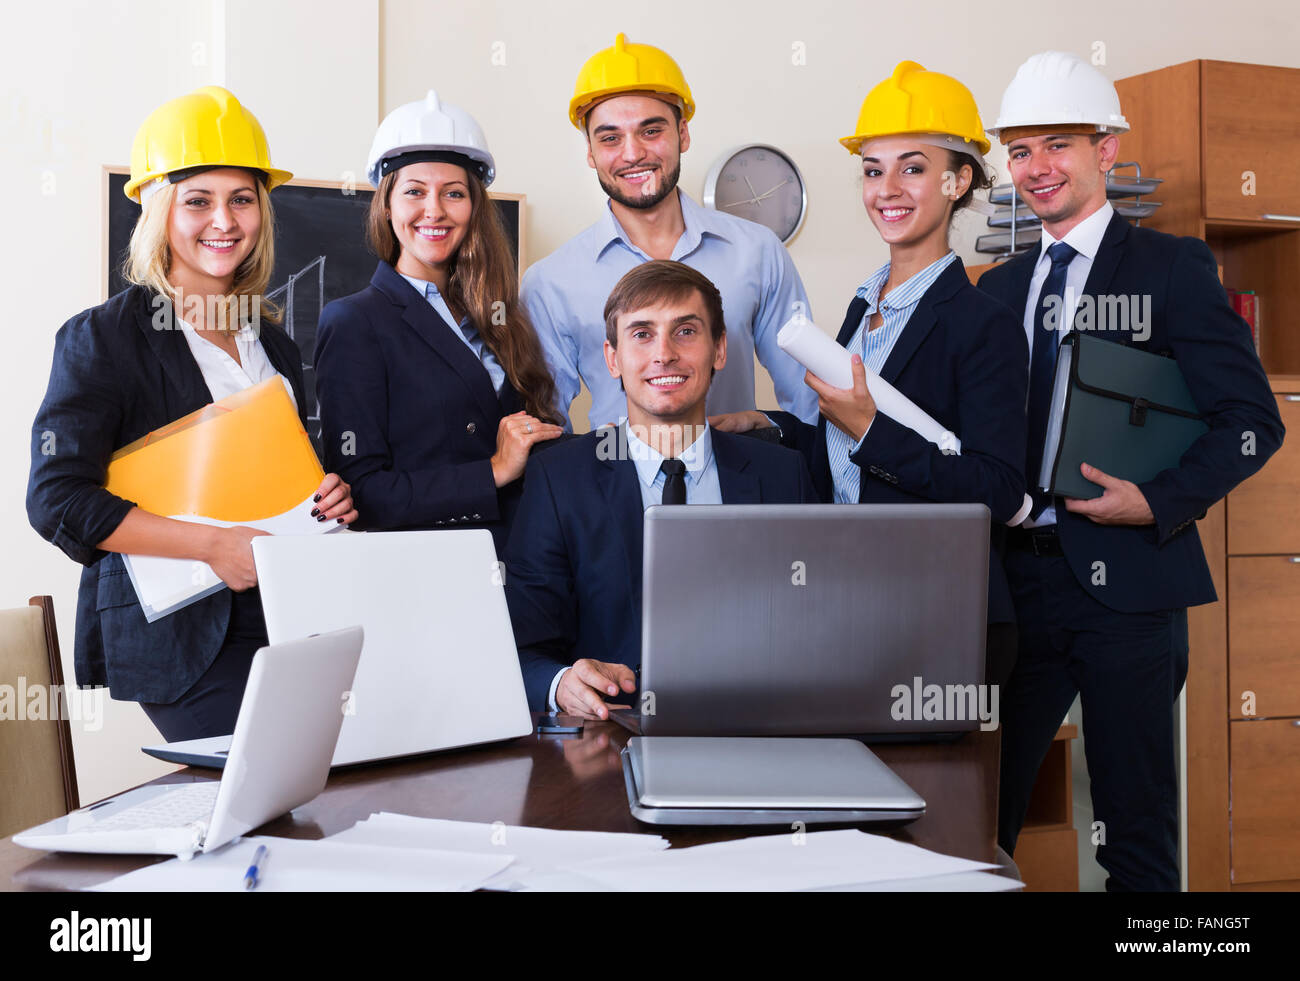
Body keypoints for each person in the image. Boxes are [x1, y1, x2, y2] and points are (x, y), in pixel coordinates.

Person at [977, 51, 1284, 891]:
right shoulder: (997, 291)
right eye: (1020, 150)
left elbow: (1254, 425)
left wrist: (1155, 500)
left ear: (1106, 150)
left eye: (1057, 146)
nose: (1036, 168)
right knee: (979, 819)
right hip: (1015, 589)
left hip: (1132, 592)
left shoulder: (1172, 270)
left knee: (1136, 835)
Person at [26, 86, 356, 742]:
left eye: (242, 199)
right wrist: (214, 546)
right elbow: (57, 499)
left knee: (332, 780)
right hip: (182, 637)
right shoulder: (106, 338)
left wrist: (328, 495)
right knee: (273, 773)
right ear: (158, 211)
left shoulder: (276, 343)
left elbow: (274, 478)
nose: (224, 221)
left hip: (291, 610)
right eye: (198, 200)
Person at [724, 61, 1029, 688]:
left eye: (913, 168)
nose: (887, 188)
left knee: (934, 788)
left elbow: (996, 490)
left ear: (958, 181)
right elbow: (841, 453)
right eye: (872, 170)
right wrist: (770, 426)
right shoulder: (863, 309)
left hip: (937, 610)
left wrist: (871, 430)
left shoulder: (982, 323)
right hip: (848, 597)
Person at [505, 261, 817, 718]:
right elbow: (523, 647)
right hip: (613, 737)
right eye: (642, 334)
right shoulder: (559, 480)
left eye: (686, 331)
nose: (664, 354)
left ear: (720, 350)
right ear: (613, 358)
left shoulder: (782, 474)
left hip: (756, 729)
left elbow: (815, 628)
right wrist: (561, 684)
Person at [521, 33, 818, 431]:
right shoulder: (549, 282)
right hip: (615, 486)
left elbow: (810, 399)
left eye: (651, 131)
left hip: (737, 487)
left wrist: (765, 429)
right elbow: (546, 429)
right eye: (610, 138)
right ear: (590, 152)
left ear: (683, 134)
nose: (632, 154)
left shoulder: (759, 252)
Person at [315, 91, 563, 557]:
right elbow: (363, 495)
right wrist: (493, 470)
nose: (435, 210)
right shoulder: (355, 322)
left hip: (528, 565)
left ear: (474, 209)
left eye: (454, 193)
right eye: (414, 191)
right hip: (431, 576)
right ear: (386, 205)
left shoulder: (499, 317)